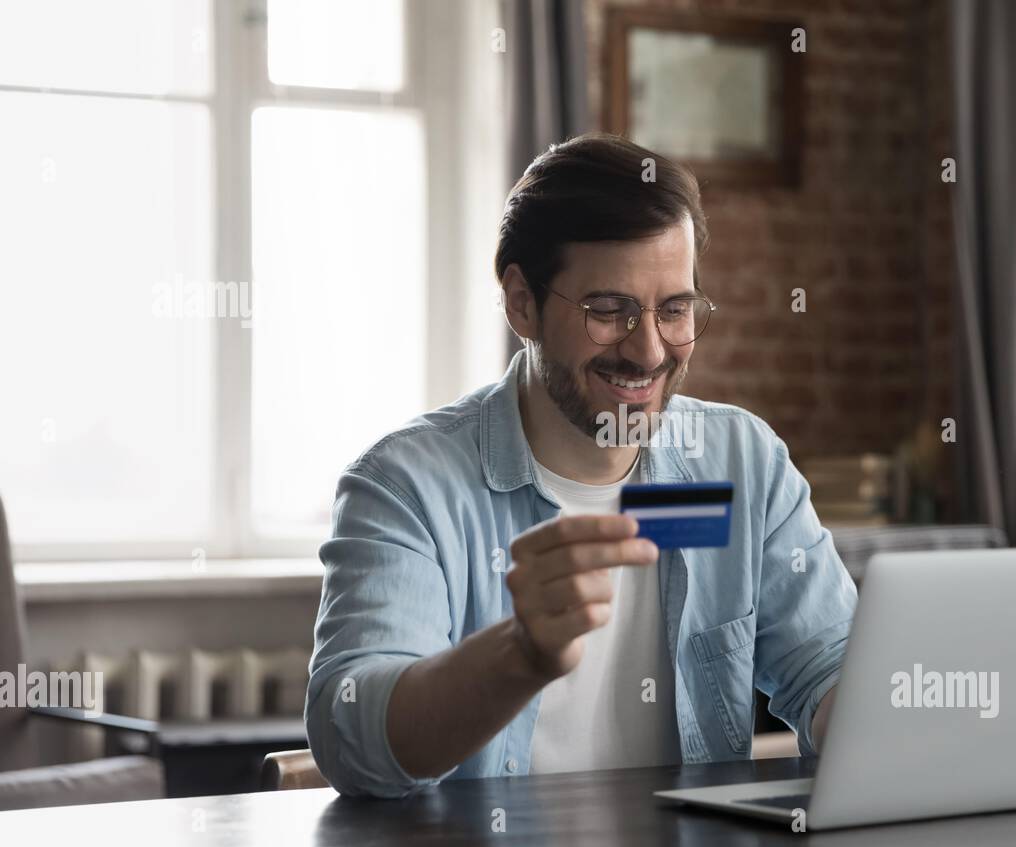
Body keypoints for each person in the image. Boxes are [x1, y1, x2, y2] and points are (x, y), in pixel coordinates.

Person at [306, 132, 857, 797]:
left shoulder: (742, 464)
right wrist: (519, 654)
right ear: (520, 304)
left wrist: (901, 716)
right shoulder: (408, 485)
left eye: (674, 310)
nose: (649, 351)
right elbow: (351, 739)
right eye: (609, 310)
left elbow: (827, 669)